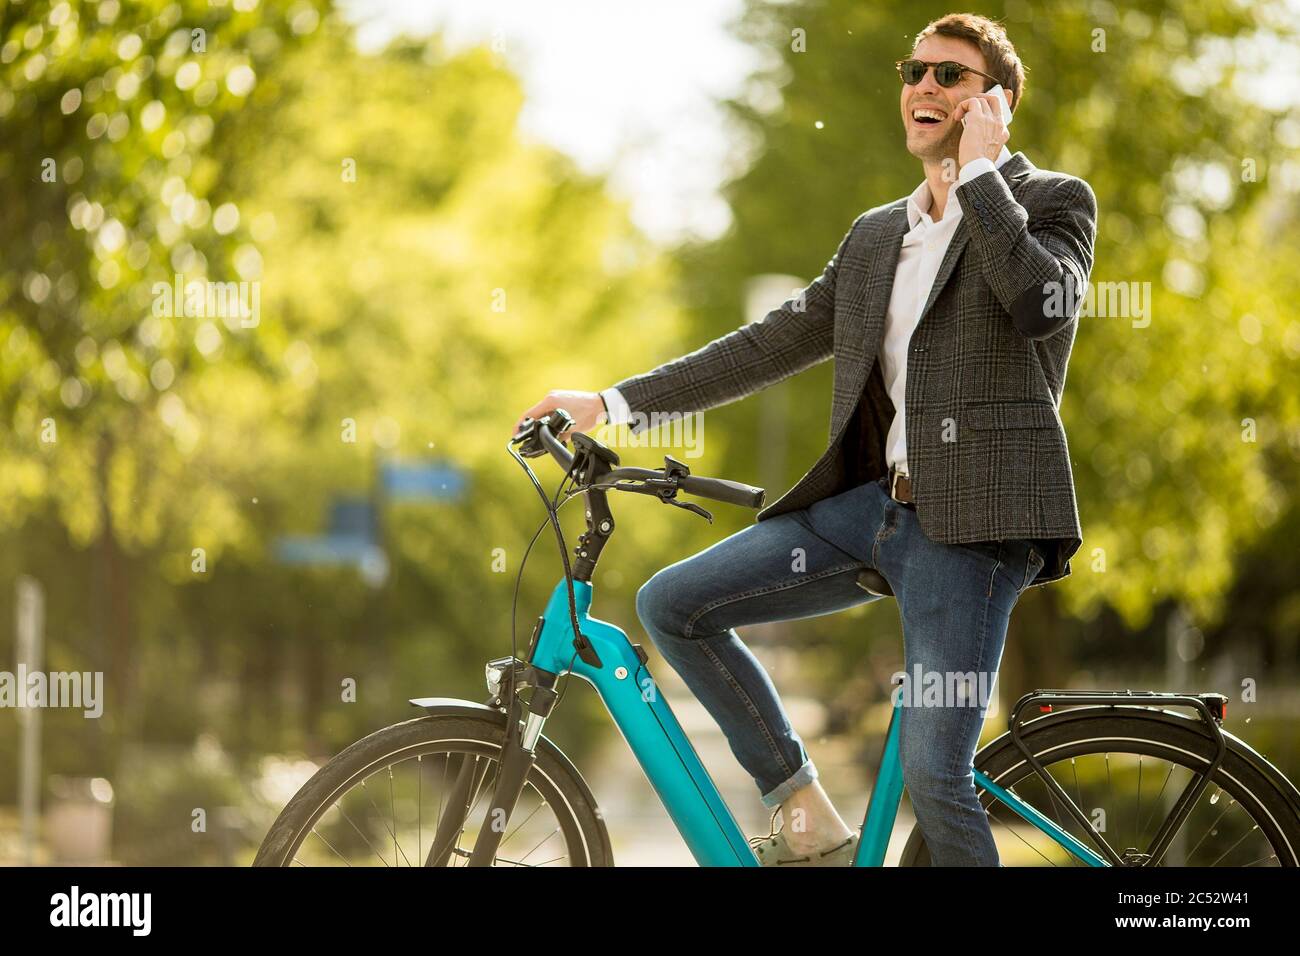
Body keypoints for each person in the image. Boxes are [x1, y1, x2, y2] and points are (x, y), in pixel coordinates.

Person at [516, 12, 1097, 866]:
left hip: (972, 534)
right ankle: (804, 810)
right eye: (914, 72)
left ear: (996, 105)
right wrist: (613, 401)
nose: (924, 88)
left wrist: (981, 177)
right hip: (870, 513)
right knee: (672, 605)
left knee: (938, 780)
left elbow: (1041, 304)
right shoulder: (875, 237)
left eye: (950, 76)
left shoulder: (1051, 202)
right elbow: (768, 343)